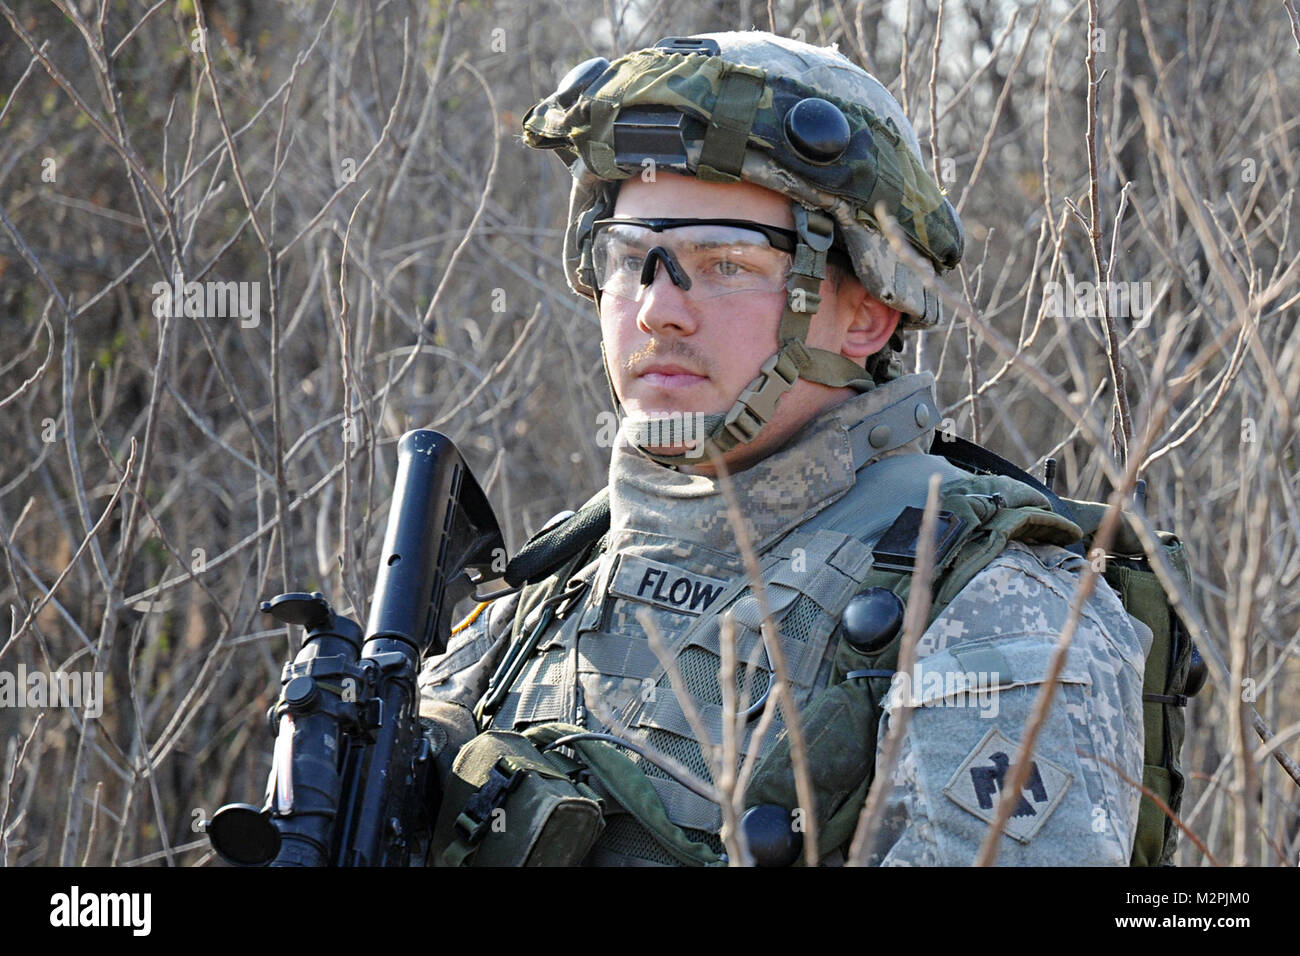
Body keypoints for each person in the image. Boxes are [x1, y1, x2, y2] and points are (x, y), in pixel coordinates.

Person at [417, 30, 1150, 866]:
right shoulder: (544, 596)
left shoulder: (991, 611)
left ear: (868, 310)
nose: (658, 310)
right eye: (631, 260)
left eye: (724, 264)